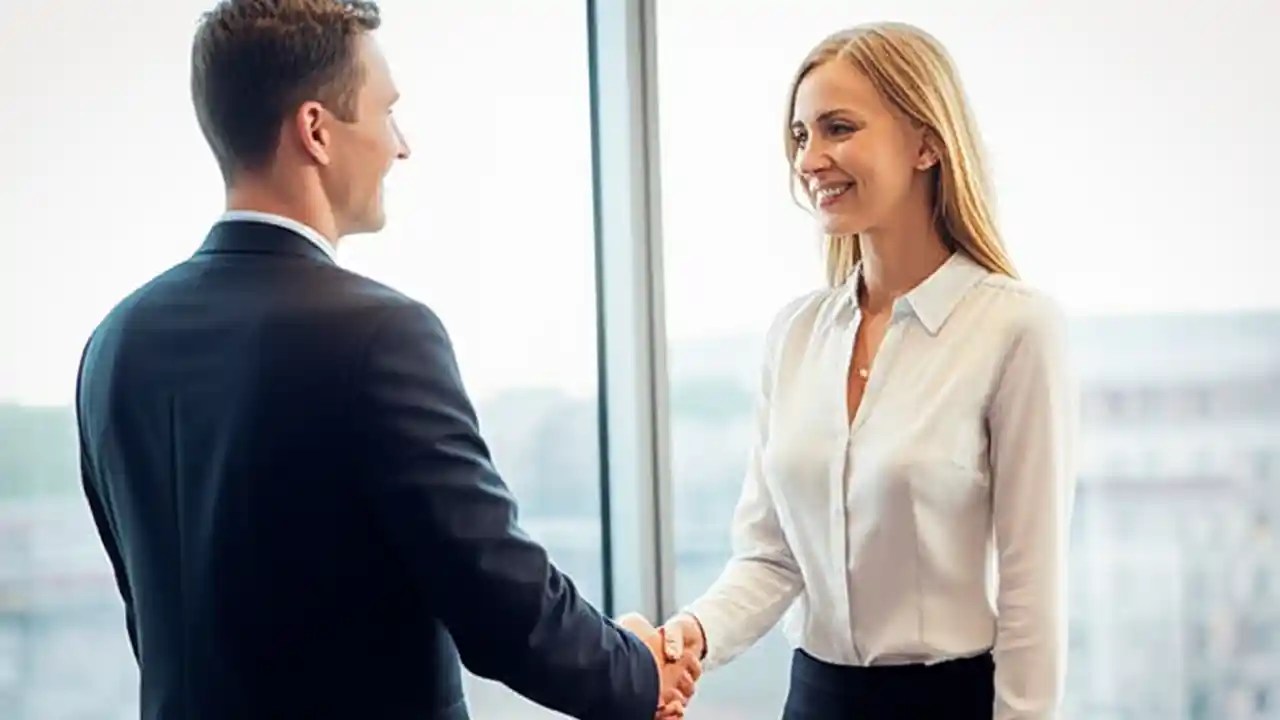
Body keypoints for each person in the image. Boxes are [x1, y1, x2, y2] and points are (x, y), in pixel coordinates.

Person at [73, 2, 698, 719]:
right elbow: (496, 599)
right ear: (316, 130)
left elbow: (151, 613)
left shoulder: (114, 344)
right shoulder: (379, 335)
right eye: (386, 111)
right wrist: (636, 671)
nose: (400, 145)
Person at [659, 21, 1077, 720]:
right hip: (817, 700)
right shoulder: (794, 336)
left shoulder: (1017, 329)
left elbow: (1032, 595)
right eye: (800, 136)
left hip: (951, 704)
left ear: (926, 143)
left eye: (838, 128)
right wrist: (689, 637)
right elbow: (771, 558)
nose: (810, 158)